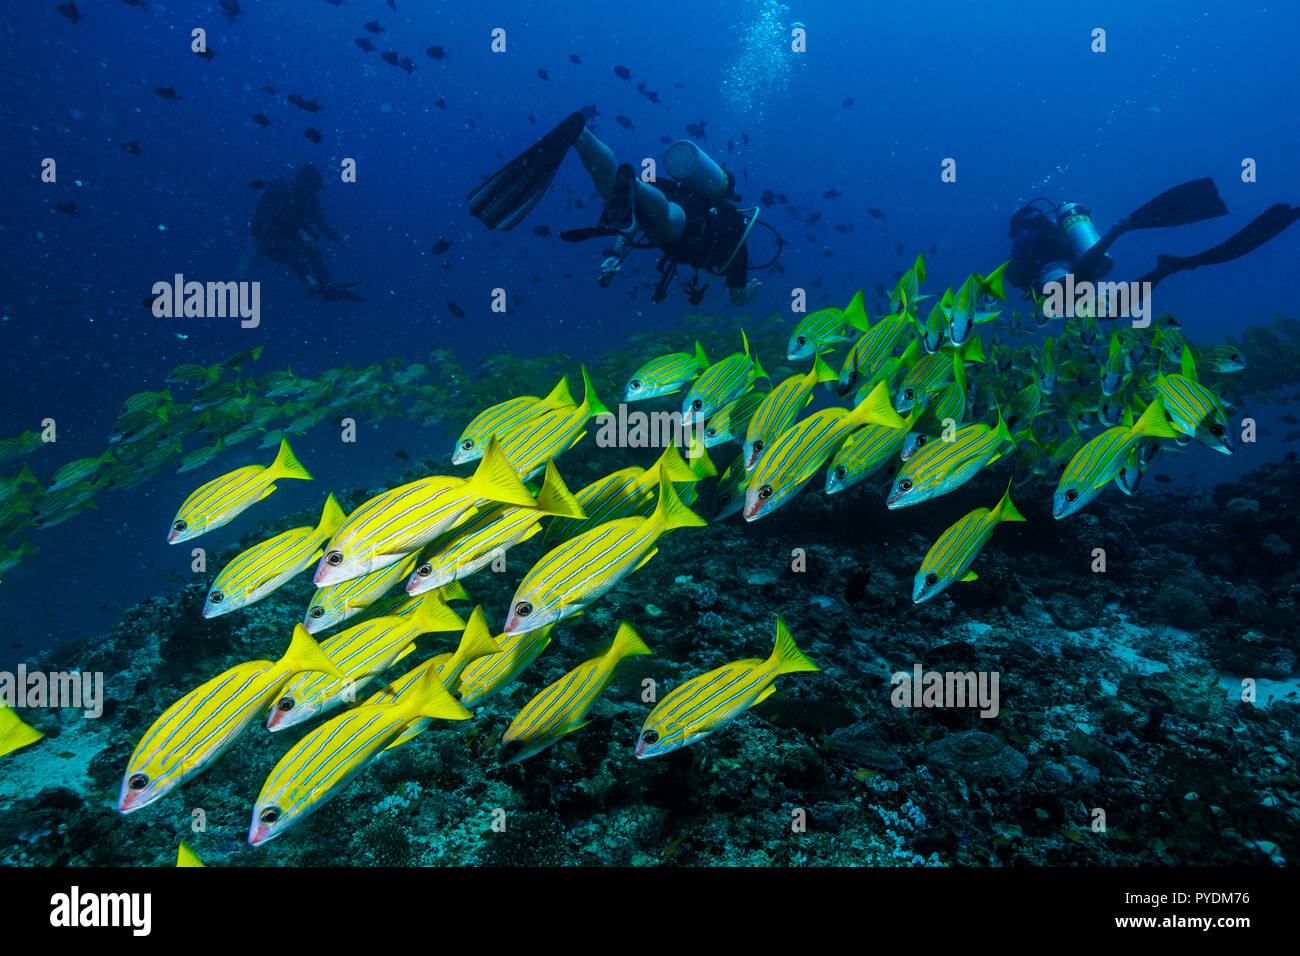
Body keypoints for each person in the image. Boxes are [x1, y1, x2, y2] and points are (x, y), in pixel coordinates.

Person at [467, 111, 764, 307]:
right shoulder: (735, 226)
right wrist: (750, 290)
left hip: (664, 193)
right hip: (685, 224)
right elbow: (737, 297)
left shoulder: (684, 187)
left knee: (618, 194)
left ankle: (583, 137)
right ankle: (635, 186)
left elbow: (628, 225)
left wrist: (615, 255)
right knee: (666, 220)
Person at [1006, 178, 1299, 310]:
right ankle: (1165, 268)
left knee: (1068, 292)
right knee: (1113, 311)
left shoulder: (1024, 235)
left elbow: (1017, 270)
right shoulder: (1054, 231)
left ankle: (1118, 232)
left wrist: (1020, 280)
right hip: (1085, 265)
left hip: (1063, 273)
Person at [251, 164, 353, 296]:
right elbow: (270, 220)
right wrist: (299, 232)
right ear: (301, 184)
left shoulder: (310, 197)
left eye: (315, 190)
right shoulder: (281, 193)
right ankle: (308, 280)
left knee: (311, 247)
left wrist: (336, 237)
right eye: (310, 189)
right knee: (293, 250)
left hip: (290, 235)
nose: (312, 193)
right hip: (269, 236)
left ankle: (326, 284)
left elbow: (320, 222)